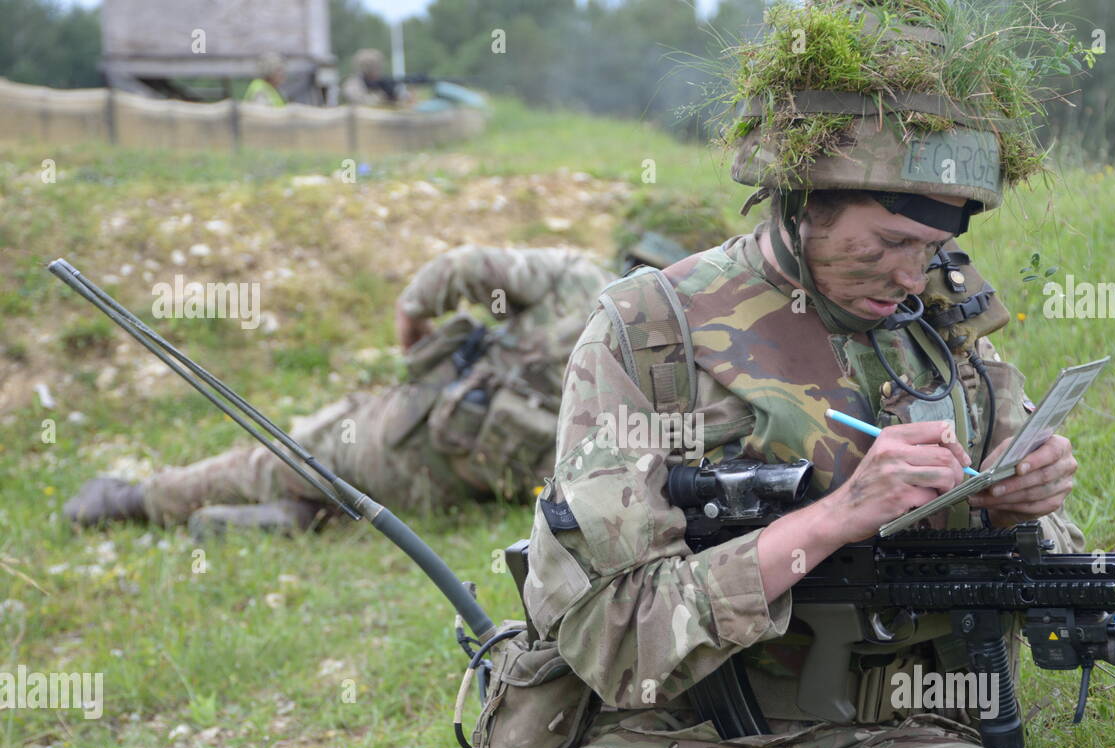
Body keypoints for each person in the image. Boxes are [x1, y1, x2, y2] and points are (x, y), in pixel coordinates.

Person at [464, 4, 1086, 748]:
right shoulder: (649, 332)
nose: (913, 275)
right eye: (890, 241)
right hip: (676, 742)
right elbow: (614, 632)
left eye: (935, 248)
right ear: (803, 204)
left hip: (894, 736)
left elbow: (1041, 564)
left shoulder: (944, 334)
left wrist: (1027, 511)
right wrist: (833, 518)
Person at [63, 226, 719, 537]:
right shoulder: (683, 374)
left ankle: (129, 501)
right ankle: (281, 520)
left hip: (413, 430)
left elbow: (459, 268)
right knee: (339, 494)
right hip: (464, 486)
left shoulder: (578, 280)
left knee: (279, 459)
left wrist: (411, 324)